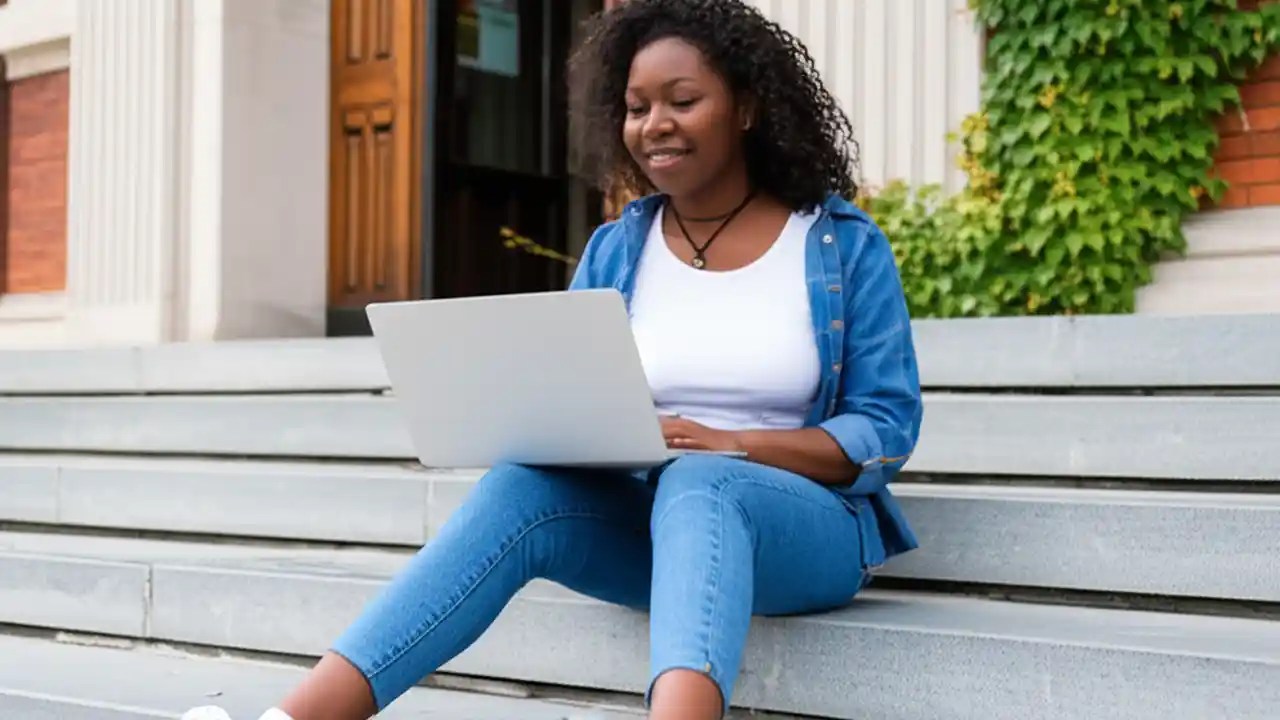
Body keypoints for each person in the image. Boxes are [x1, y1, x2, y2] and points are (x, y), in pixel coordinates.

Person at [184, 0, 921, 718]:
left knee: (705, 481)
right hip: (660, 523)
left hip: (806, 532)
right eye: (636, 108)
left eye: (683, 100)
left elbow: (884, 429)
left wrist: (735, 444)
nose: (654, 125)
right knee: (519, 490)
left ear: (749, 108)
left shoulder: (836, 244)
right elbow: (574, 400)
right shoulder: (618, 249)